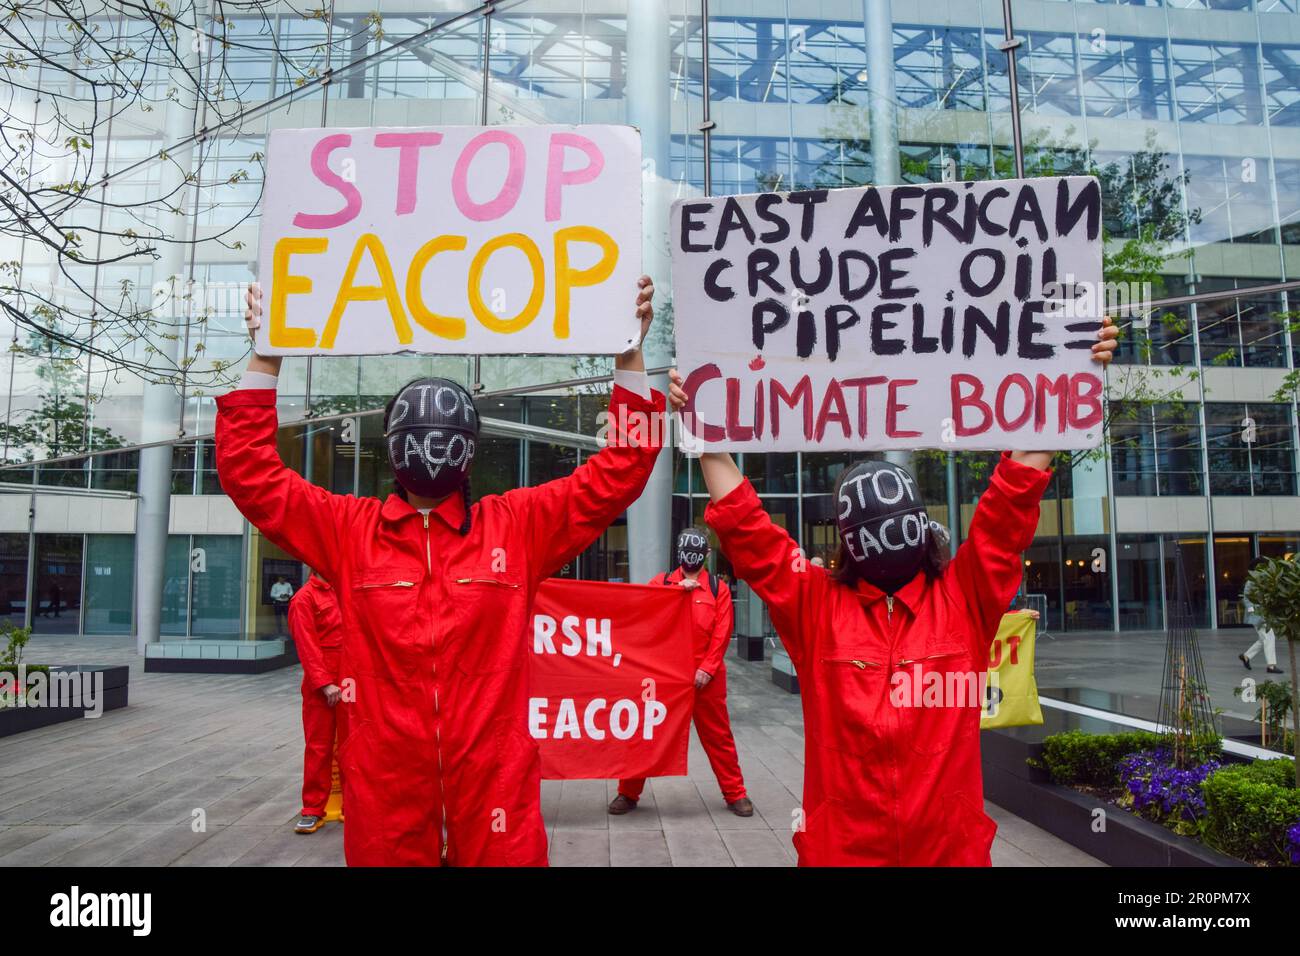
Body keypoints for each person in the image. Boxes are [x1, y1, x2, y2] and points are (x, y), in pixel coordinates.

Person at [217, 277, 663, 866]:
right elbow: (250, 475)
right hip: (385, 790)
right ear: (393, 448)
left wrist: (629, 354)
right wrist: (265, 356)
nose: (432, 443)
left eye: (447, 435)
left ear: (469, 451)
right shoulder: (349, 531)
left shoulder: (516, 527)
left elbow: (621, 470)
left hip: (494, 783)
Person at [668, 317, 1119, 866]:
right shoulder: (815, 606)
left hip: (947, 855)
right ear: (845, 542)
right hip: (844, 854)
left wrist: (1074, 374)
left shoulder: (965, 598)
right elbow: (749, 530)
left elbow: (1009, 504)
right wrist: (706, 433)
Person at [609, 527, 753, 817]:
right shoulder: (660, 583)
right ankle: (628, 792)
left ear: (707, 554)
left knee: (719, 738)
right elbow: (644, 616)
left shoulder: (717, 588)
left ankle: (735, 793)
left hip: (705, 680)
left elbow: (722, 634)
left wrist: (707, 669)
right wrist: (673, 593)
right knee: (646, 734)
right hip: (664, 677)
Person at [289, 572, 346, 834]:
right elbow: (306, 645)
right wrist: (324, 683)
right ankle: (312, 809)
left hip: (351, 677)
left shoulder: (345, 590)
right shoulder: (304, 599)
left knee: (354, 746)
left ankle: (354, 806)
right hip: (321, 684)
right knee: (319, 747)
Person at [1240, 557, 1283, 674]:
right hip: (1257, 615)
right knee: (1269, 637)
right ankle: (1271, 666)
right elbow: (1246, 597)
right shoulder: (1252, 580)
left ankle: (1246, 656)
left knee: (1263, 638)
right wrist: (1253, 612)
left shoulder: (1263, 579)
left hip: (1263, 614)